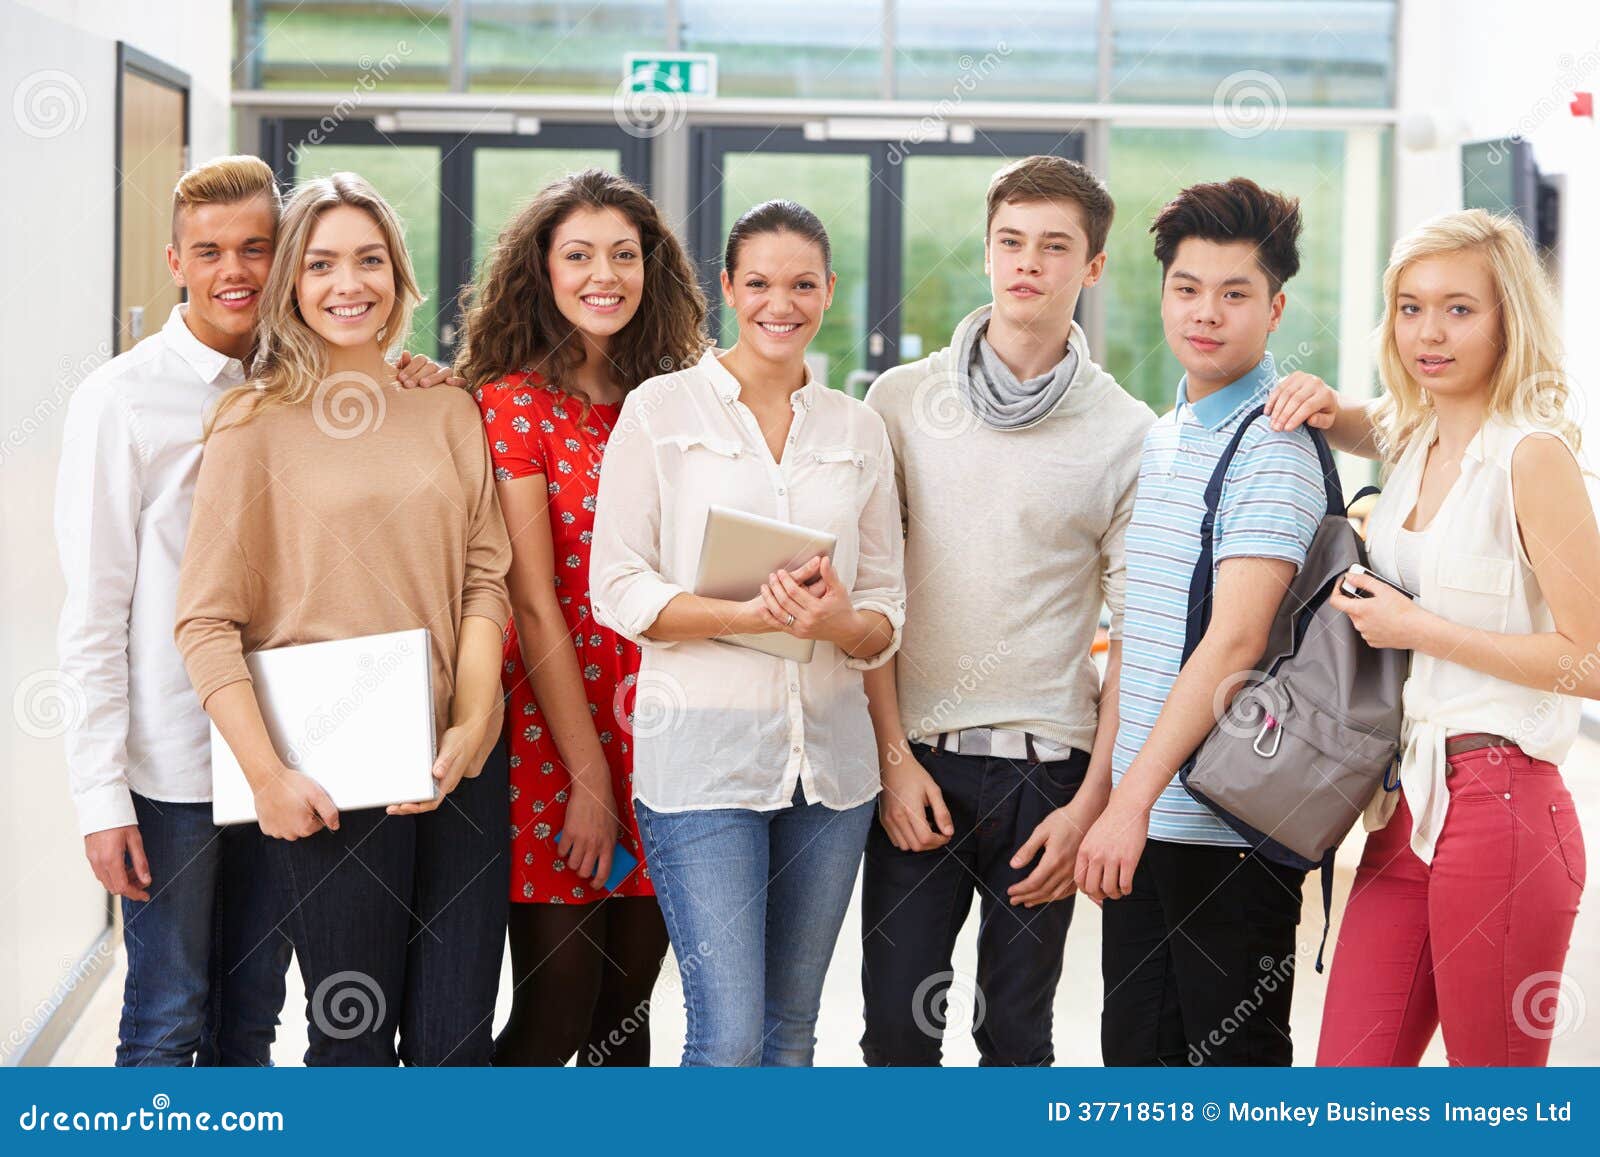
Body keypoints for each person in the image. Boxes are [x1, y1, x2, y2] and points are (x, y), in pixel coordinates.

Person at [54, 155, 455, 1066]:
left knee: (251, 1015)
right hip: (177, 767)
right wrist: (97, 797)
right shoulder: (119, 401)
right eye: (209, 251)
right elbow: (93, 617)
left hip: (298, 752)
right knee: (167, 1008)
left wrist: (410, 376)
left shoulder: (312, 383)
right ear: (175, 261)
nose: (234, 270)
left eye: (255, 249)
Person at [173, 172, 512, 1066]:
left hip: (462, 761)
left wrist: (474, 727)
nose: (347, 283)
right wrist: (269, 776)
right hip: (331, 769)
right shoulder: (251, 424)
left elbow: (485, 580)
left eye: (369, 260)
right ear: (291, 282)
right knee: (350, 1041)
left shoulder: (448, 407)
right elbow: (206, 623)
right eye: (321, 264)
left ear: (401, 279)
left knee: (455, 1046)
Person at [1264, 209, 1597, 1066]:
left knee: (1489, 1103)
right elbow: (1360, 417)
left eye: (1458, 309)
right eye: (1409, 308)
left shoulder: (1533, 457)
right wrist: (1319, 401)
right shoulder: (1416, 434)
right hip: (1402, 805)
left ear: (1507, 319)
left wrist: (1421, 629)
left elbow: (1592, 660)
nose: (1429, 333)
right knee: (1348, 1086)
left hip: (1506, 803)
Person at [588, 200, 906, 1066]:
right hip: (701, 765)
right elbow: (615, 585)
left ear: (830, 292)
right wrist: (747, 616)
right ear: (727, 287)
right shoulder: (662, 410)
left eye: (803, 284)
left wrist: (839, 622)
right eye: (759, 282)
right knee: (726, 1035)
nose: (781, 302)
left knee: (791, 1034)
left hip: (832, 773)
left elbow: (886, 610)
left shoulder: (858, 428)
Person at [858, 155, 1154, 1066]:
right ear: (987, 253)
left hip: (1048, 780)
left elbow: (1139, 639)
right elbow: (873, 595)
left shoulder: (1127, 431)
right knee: (897, 1037)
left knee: (1017, 1037)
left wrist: (1093, 803)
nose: (1029, 262)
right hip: (919, 773)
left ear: (1092, 268)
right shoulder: (901, 402)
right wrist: (893, 759)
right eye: (1011, 242)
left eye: (1055, 246)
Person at [454, 169, 707, 1066]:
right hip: (557, 738)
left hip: (672, 728)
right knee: (558, 1003)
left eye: (624, 255)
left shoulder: (677, 399)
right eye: (579, 254)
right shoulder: (512, 403)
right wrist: (590, 777)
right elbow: (530, 599)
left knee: (626, 1012)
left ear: (652, 270)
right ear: (543, 270)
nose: (604, 274)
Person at [1075, 177, 1327, 1066]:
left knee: (1230, 1076)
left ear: (1275, 306)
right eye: (1188, 288)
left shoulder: (1275, 443)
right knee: (1137, 1061)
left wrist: (1130, 801)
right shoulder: (1166, 434)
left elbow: (1235, 641)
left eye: (1235, 293)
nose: (1206, 313)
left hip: (1224, 823)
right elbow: (1140, 639)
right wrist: (1104, 800)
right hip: (1149, 821)